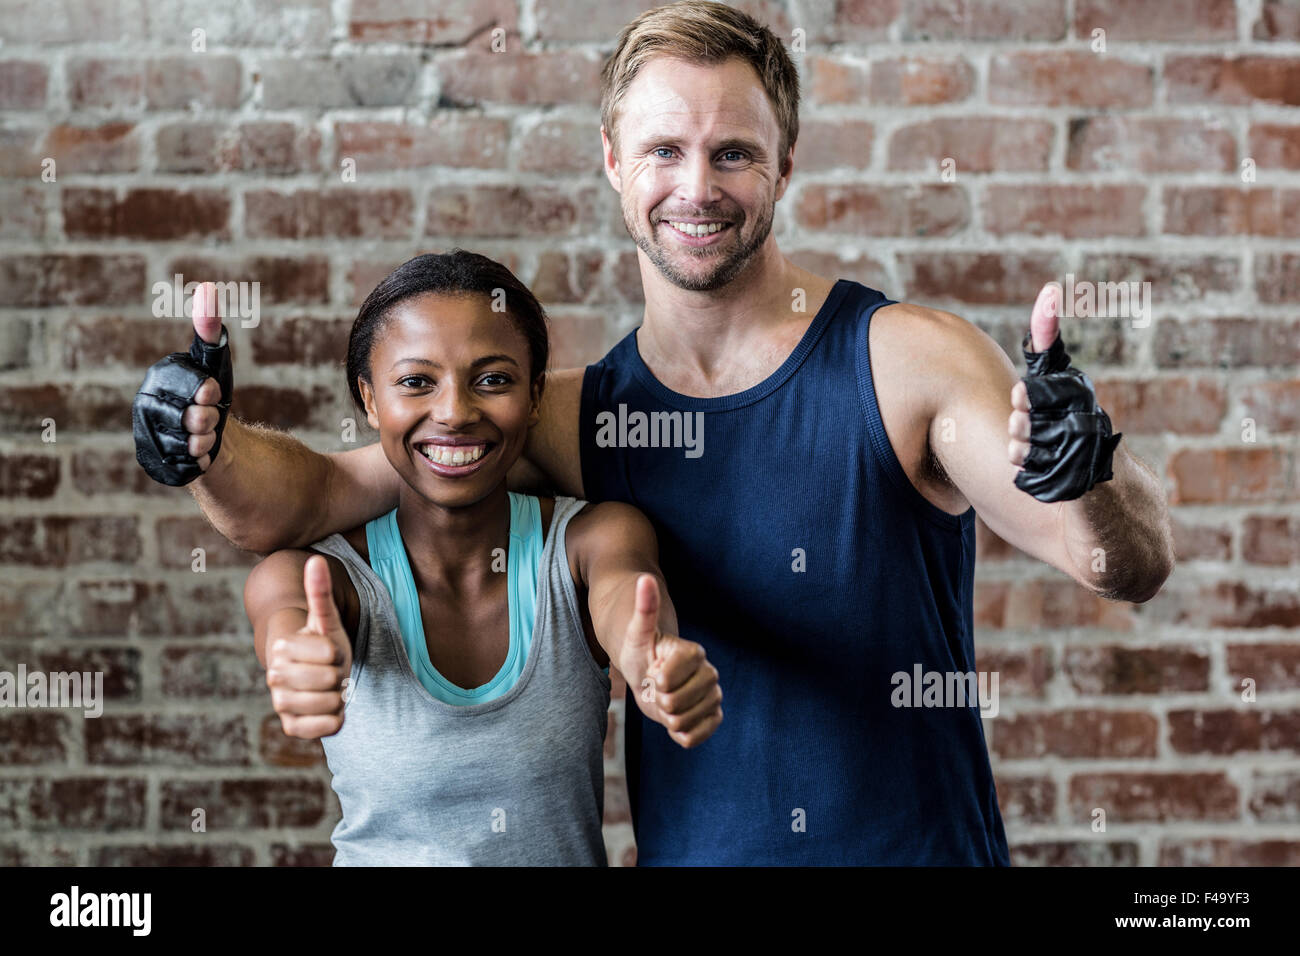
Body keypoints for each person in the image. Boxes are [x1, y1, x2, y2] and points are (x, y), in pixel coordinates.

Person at [132, 2, 1174, 865]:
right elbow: (309, 497)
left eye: (733, 152)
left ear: (785, 162)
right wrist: (198, 437)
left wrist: (1087, 473)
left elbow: (1119, 563)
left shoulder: (904, 358)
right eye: (664, 149)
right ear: (612, 163)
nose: (697, 186)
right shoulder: (571, 413)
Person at [206, 252, 720, 864]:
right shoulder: (317, 578)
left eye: (493, 379)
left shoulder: (592, 540)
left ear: (535, 398)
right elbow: (285, 617)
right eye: (416, 382)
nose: (454, 412)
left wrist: (650, 658)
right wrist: (295, 663)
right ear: (370, 402)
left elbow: (625, 594)